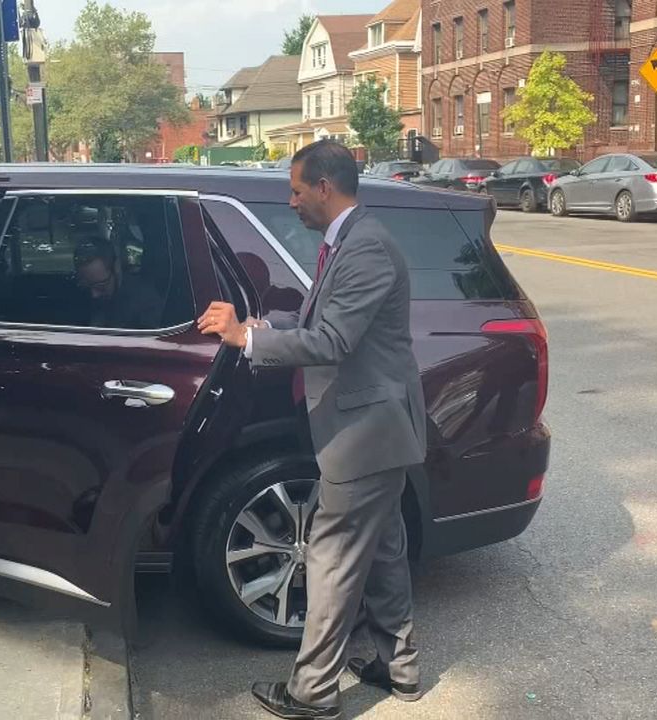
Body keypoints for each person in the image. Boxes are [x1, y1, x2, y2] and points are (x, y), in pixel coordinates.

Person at [197, 140, 426, 719]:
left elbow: (333, 341)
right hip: (371, 431)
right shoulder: (348, 241)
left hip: (365, 434)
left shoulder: (367, 247)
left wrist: (246, 340)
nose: (292, 201)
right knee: (384, 552)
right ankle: (399, 668)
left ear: (325, 187)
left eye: (297, 190)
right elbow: (317, 319)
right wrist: (262, 325)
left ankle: (314, 692)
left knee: (332, 560)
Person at [73, 236, 163, 330]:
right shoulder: (80, 296)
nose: (94, 295)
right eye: (86, 285)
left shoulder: (145, 302)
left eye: (101, 286)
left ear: (116, 269)